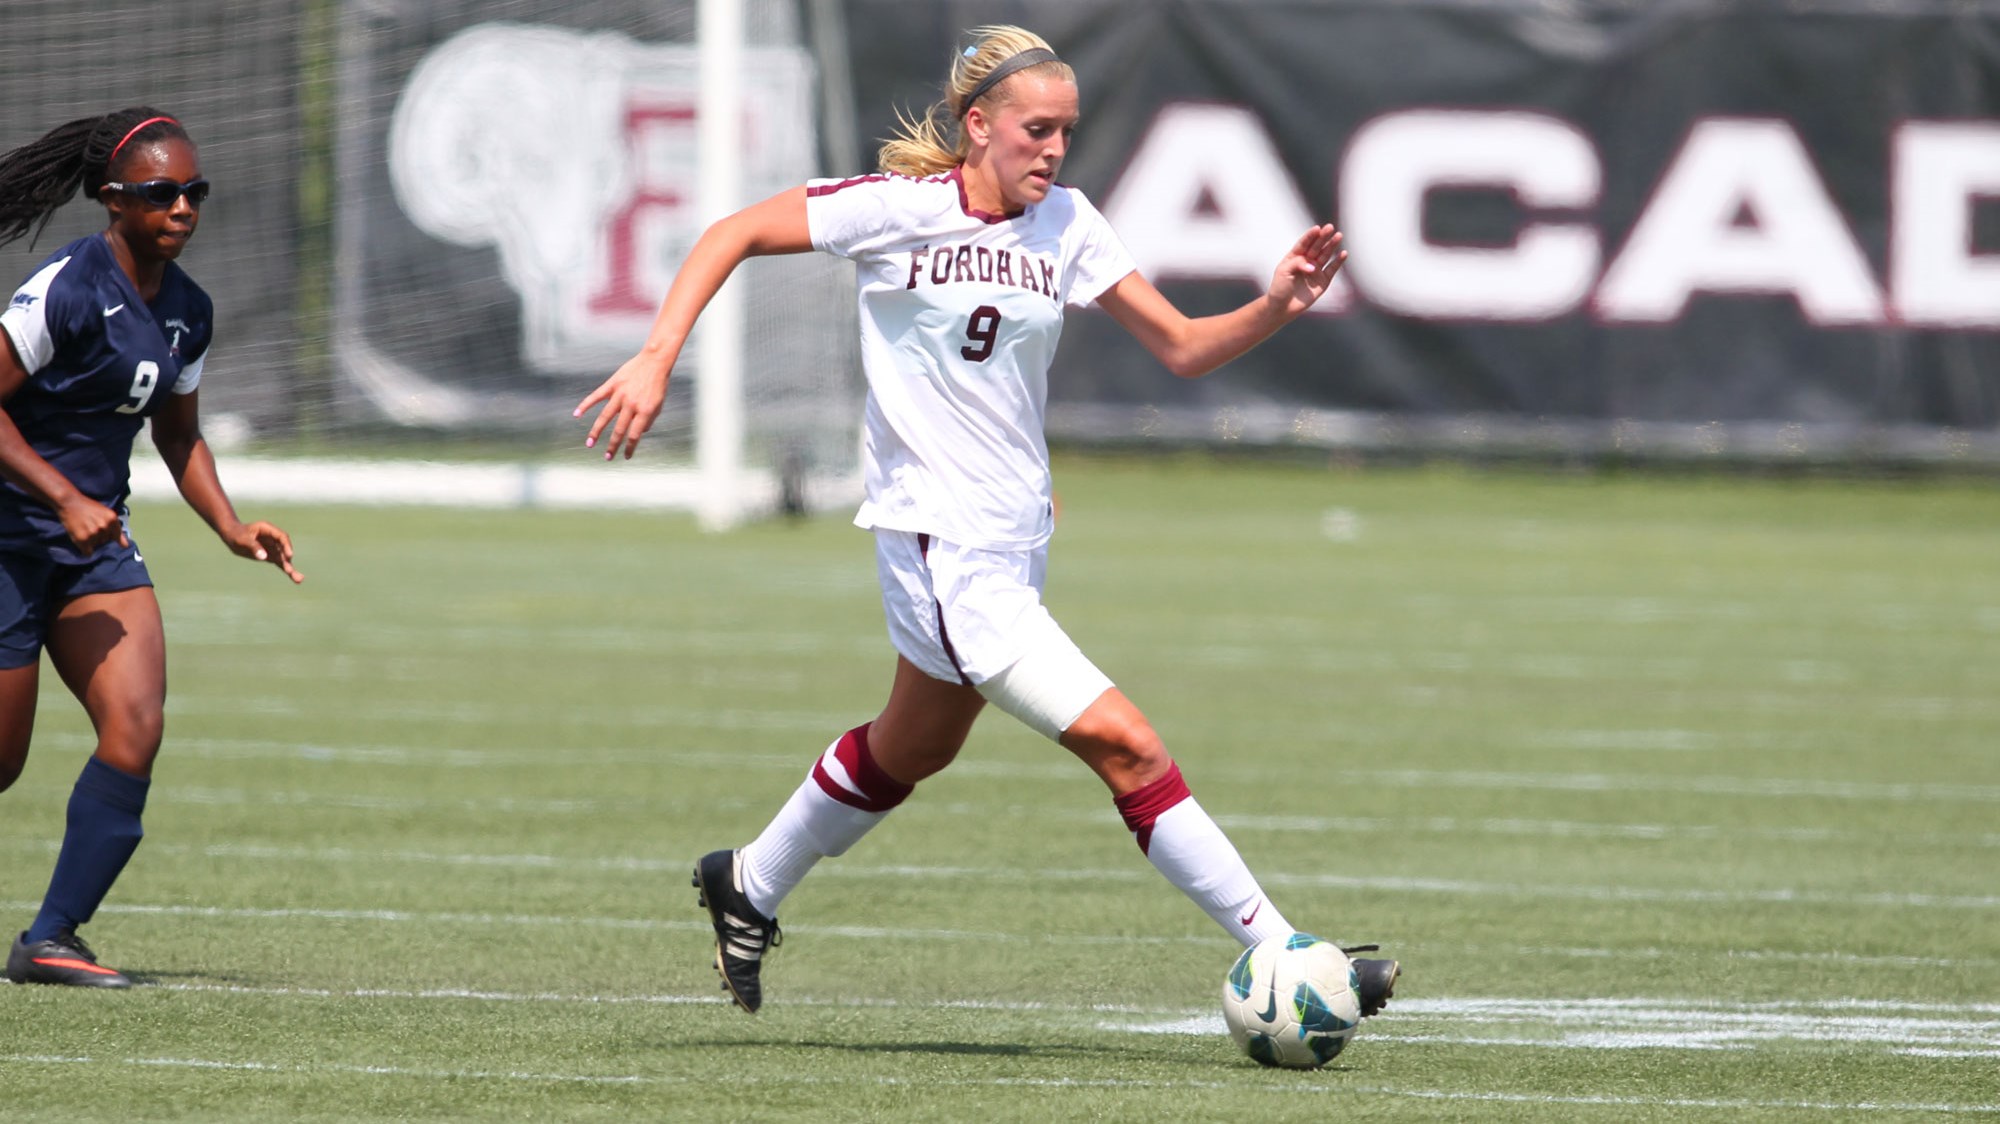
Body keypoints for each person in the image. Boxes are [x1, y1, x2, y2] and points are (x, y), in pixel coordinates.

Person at [576, 25, 1398, 1016]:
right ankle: (1289, 953)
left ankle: (746, 880)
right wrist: (659, 354)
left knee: (910, 748)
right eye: (1033, 130)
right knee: (1128, 747)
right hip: (939, 549)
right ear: (977, 126)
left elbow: (1180, 345)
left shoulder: (1069, 224)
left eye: (1063, 132)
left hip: (1011, 545)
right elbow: (731, 232)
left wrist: (1274, 303)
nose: (1051, 150)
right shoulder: (896, 211)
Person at [0, 109, 302, 988]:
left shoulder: (190, 313)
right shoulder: (63, 286)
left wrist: (231, 525)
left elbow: (178, 437)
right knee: (4, 761)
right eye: (161, 193)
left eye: (193, 192)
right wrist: (60, 494)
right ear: (113, 201)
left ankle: (52, 937)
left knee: (134, 729)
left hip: (94, 549)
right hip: (10, 539)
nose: (182, 209)